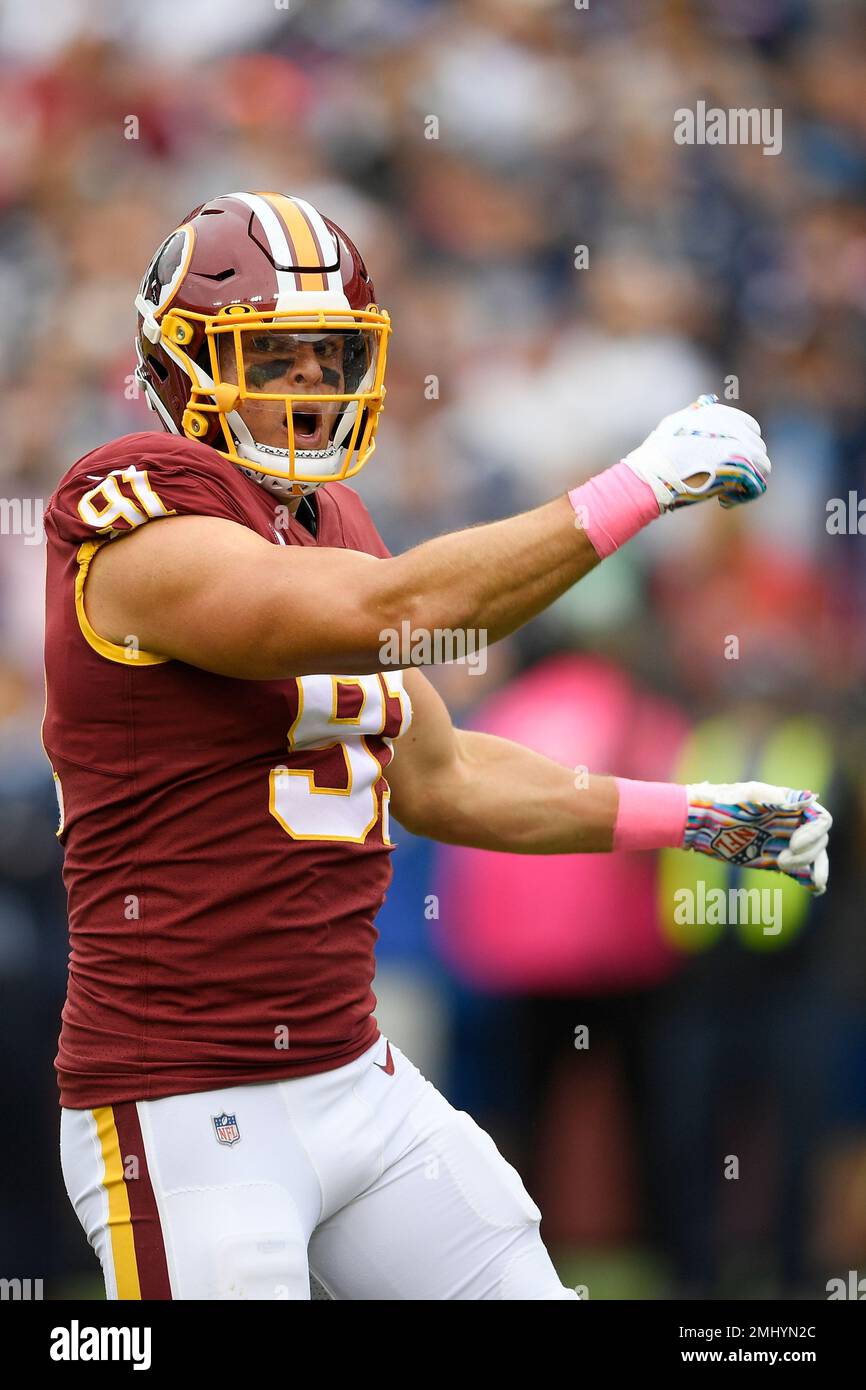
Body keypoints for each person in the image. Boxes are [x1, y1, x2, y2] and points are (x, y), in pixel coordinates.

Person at [43, 191, 831, 1300]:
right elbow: (395, 614)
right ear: (177, 364)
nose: (308, 386)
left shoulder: (335, 525)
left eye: (327, 355)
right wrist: (633, 487)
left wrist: (688, 812)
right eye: (271, 356)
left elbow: (442, 773)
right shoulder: (131, 513)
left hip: (355, 1074)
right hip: (184, 1101)